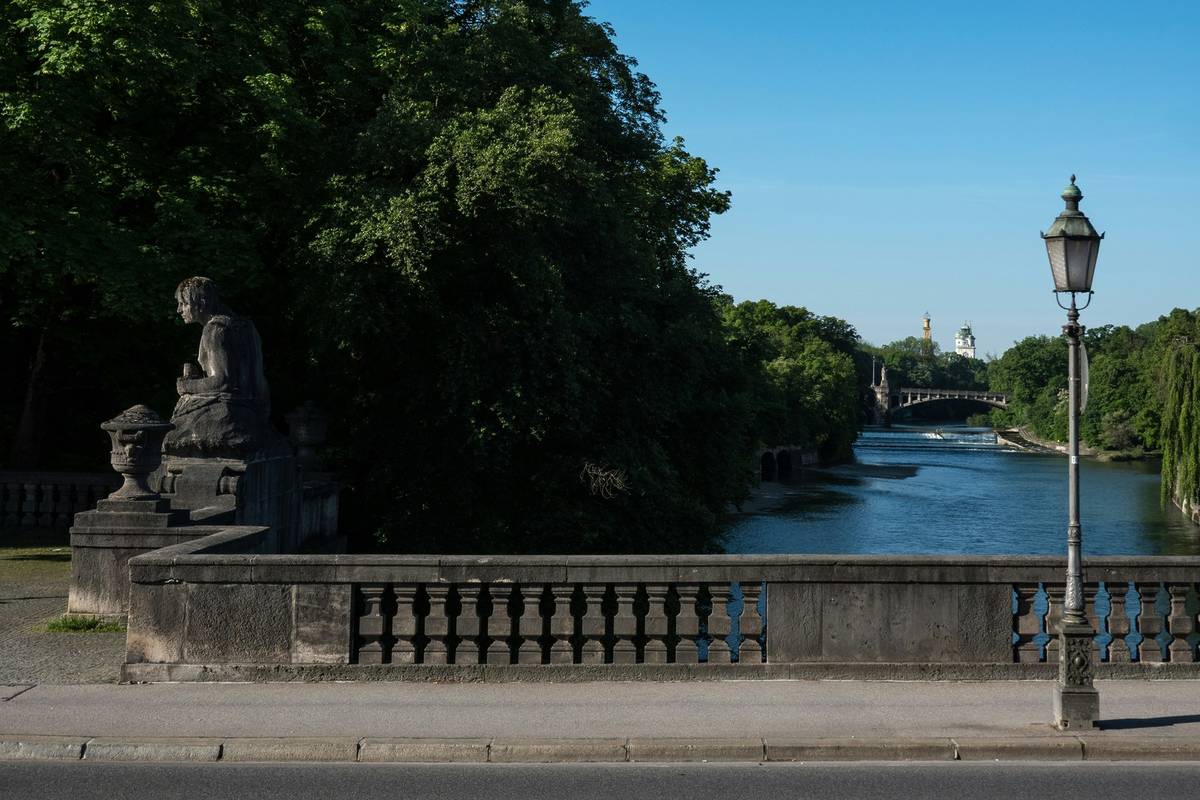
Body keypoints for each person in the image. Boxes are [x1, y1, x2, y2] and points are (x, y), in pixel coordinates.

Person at [164, 277, 279, 459]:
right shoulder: (246, 326)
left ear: (200, 303)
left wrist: (186, 386)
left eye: (183, 303)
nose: (179, 309)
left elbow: (222, 381)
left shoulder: (215, 329)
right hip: (256, 411)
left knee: (172, 435)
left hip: (229, 412)